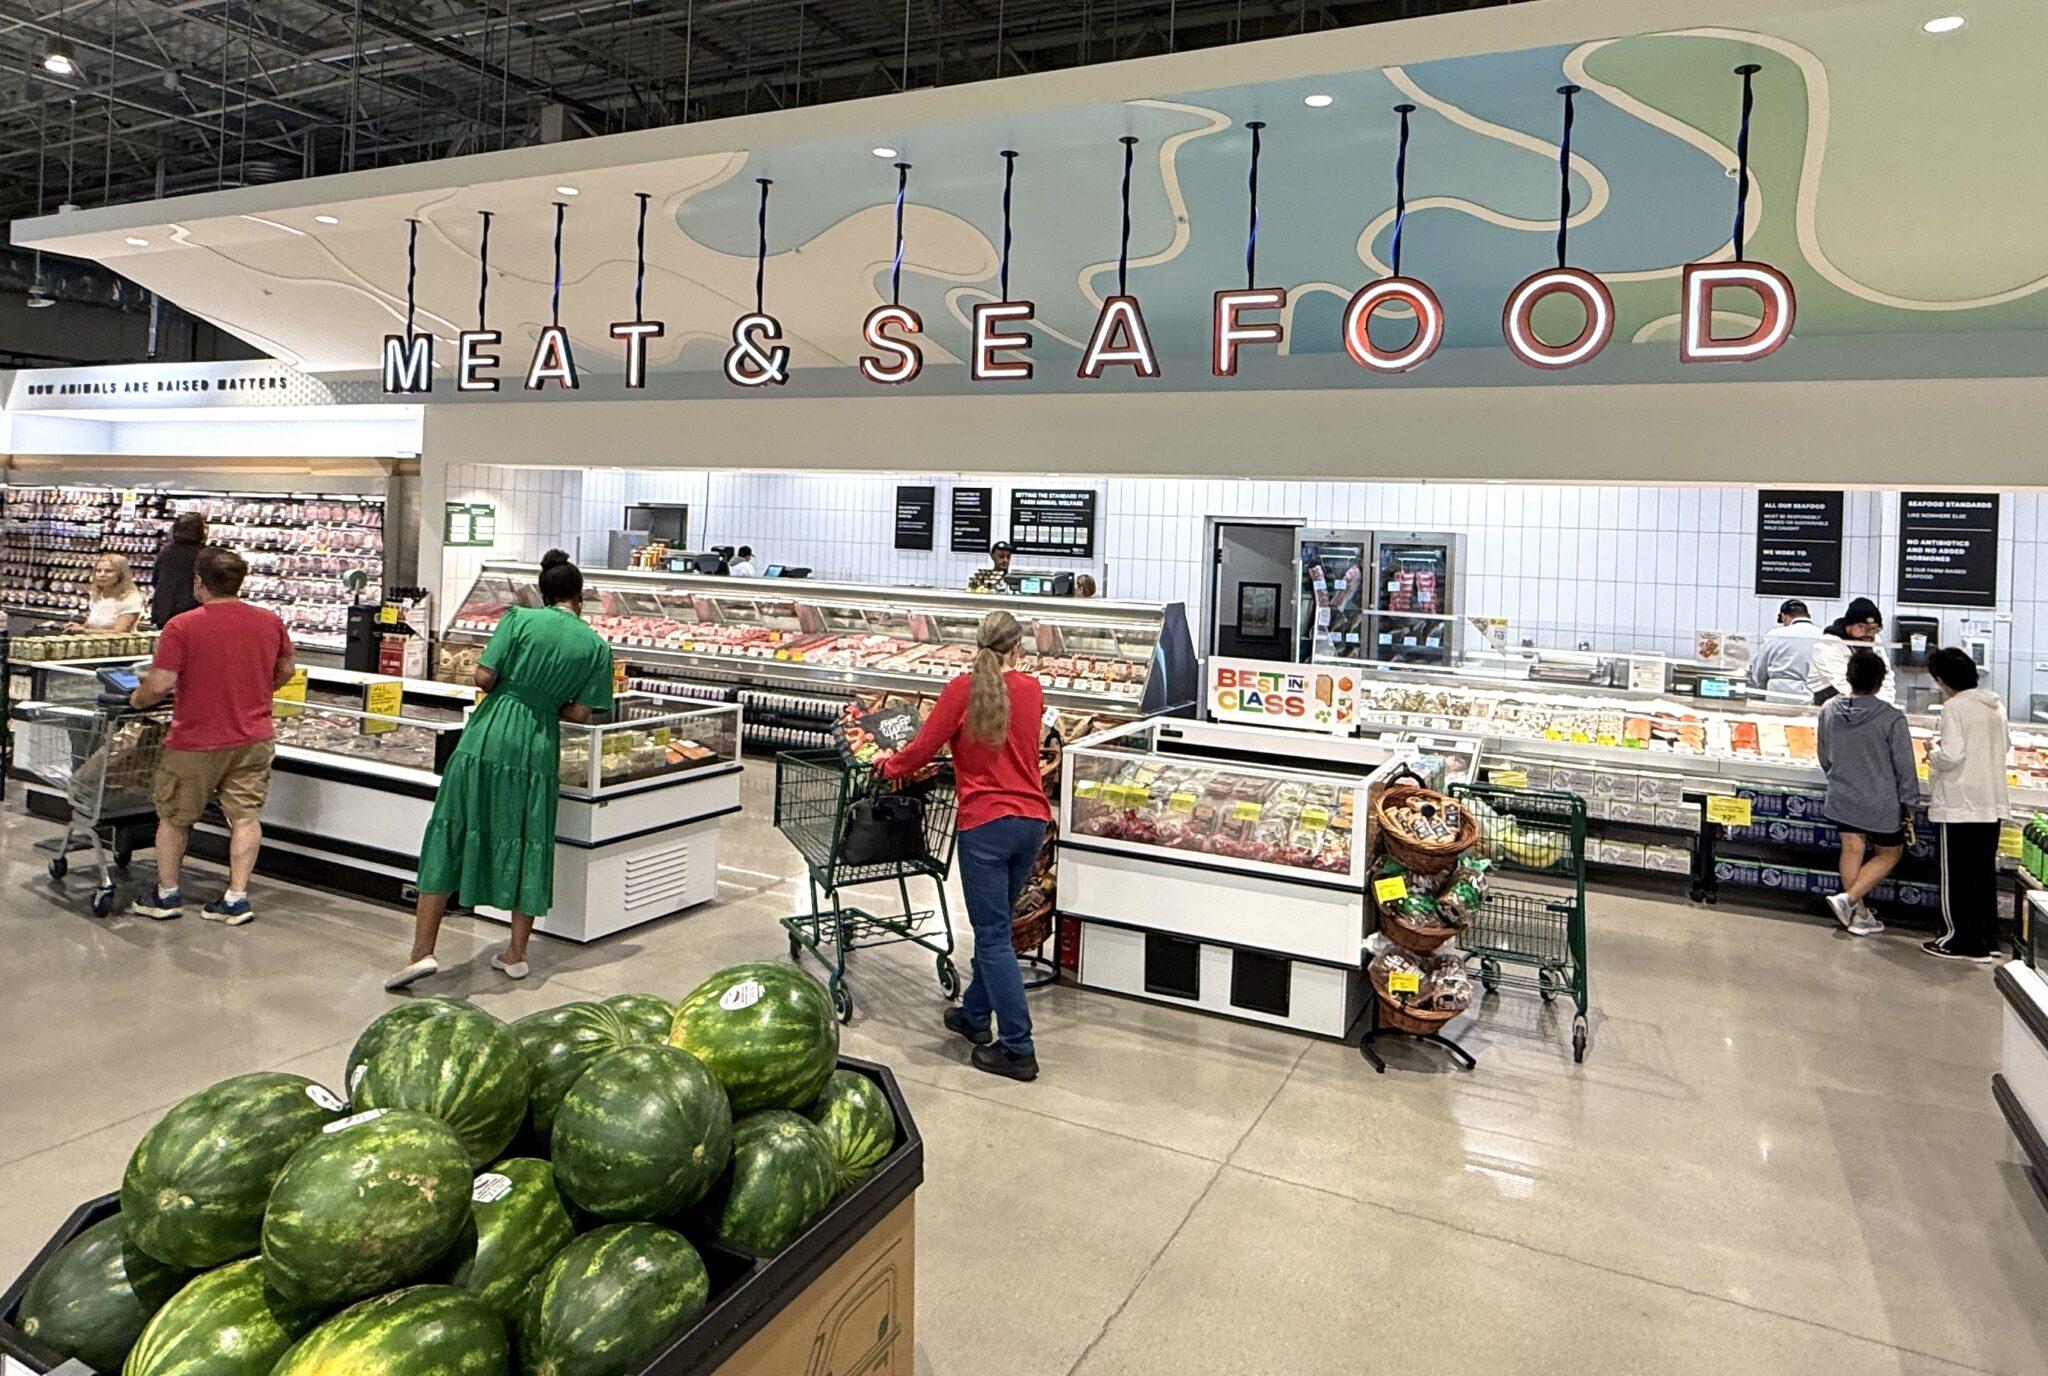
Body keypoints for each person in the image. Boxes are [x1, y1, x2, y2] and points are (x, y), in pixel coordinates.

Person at [388, 558, 615, 989]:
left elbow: (484, 676)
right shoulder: (596, 647)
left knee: (452, 827)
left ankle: (422, 952)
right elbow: (582, 712)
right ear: (579, 596)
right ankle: (515, 954)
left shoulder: (518, 619)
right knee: (528, 837)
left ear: (543, 593)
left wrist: (512, 686)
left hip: (489, 734)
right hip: (537, 745)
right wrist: (547, 702)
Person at [878, 609, 1050, 1081]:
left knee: (993, 936)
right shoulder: (1033, 691)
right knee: (998, 928)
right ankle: (975, 1015)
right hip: (1031, 822)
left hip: (986, 826)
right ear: (1018, 648)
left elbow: (922, 748)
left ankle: (1018, 1047)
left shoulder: (960, 690)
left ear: (978, 644)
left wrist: (890, 768)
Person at [129, 547, 296, 925]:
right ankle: (236, 898)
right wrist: (260, 690)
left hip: (195, 740)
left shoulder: (182, 626)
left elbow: (161, 682)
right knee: (245, 816)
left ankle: (167, 894)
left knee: (175, 817)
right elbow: (287, 668)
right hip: (253, 737)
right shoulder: (269, 621)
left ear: (199, 583)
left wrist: (138, 698)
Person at [1816, 649, 1918, 936]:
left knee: (1852, 848)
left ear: (1849, 677)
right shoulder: (1891, 717)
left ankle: (1859, 915)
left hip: (1842, 795)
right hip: (1880, 801)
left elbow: (1824, 754)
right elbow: (1904, 766)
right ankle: (1849, 901)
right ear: (1880, 681)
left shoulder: (1829, 710)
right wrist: (1910, 801)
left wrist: (1837, 777)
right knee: (1890, 853)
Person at [1922, 647, 2011, 963]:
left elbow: (1952, 756)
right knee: (1982, 872)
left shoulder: (1954, 708)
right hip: (1991, 802)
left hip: (1959, 803)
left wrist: (1931, 750)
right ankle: (1988, 939)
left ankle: (1959, 940)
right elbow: (2006, 746)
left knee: (1956, 875)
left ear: (1942, 680)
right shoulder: (1995, 706)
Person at [1808, 597, 1894, 705]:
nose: (1868, 632)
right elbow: (1842, 683)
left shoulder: (1871, 638)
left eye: (1874, 628)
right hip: (1829, 698)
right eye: (1863, 627)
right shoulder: (1828, 643)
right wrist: (1873, 706)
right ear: (1849, 625)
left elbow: (1885, 675)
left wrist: (1886, 703)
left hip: (1866, 699)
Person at [1747, 599, 1819, 697]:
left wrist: (1760, 687)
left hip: (1778, 692)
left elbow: (1759, 667)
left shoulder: (1775, 634)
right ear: (1808, 616)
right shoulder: (1822, 635)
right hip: (1810, 693)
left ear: (1784, 617)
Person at [150, 512, 207, 627]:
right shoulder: (206, 555)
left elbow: (155, 580)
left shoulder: (166, 552)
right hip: (192, 611)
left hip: (164, 610)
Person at [66, 553, 145, 632]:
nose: (102, 574)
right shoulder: (98, 596)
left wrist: (84, 631)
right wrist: (79, 627)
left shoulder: (130, 599)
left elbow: (119, 632)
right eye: (98, 571)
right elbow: (92, 625)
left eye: (108, 571)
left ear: (120, 575)